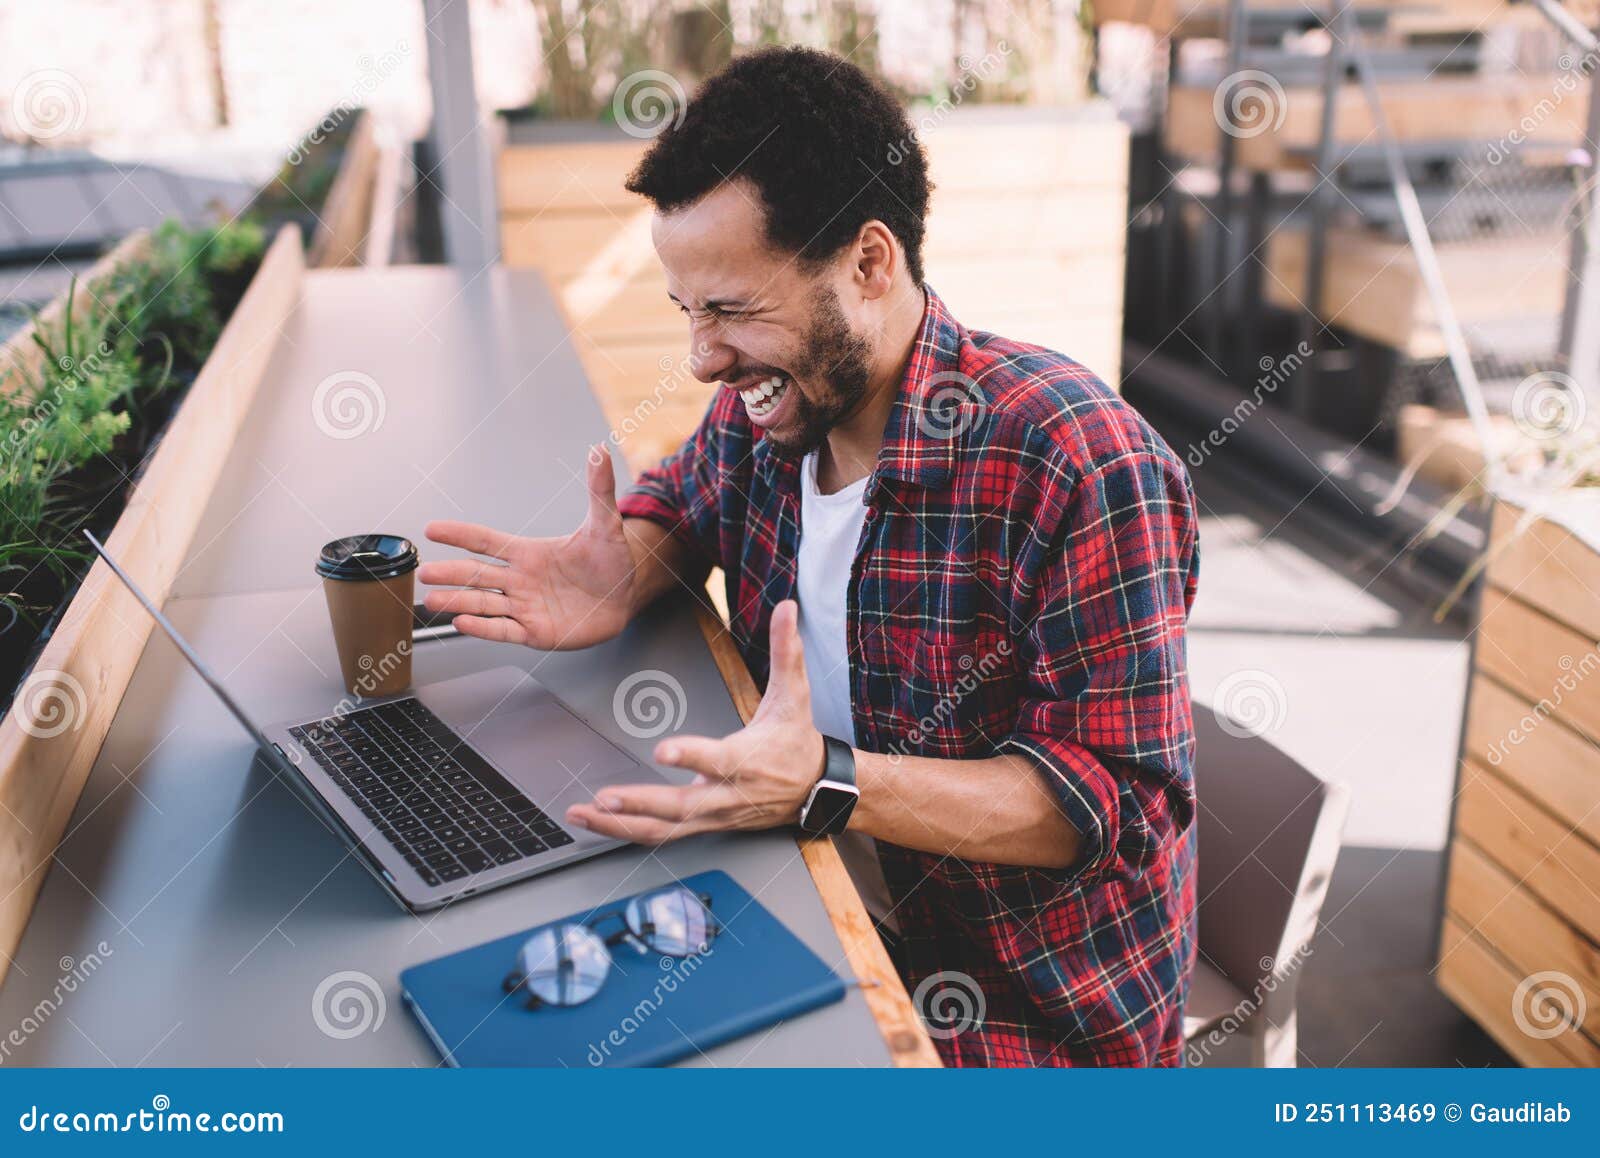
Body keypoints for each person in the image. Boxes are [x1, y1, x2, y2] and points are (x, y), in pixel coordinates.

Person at [421, 45, 1200, 1067]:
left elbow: (1116, 805)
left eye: (733, 310)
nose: (702, 357)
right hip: (808, 893)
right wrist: (629, 568)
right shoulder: (774, 409)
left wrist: (824, 783)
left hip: (1020, 1011)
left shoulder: (1077, 462)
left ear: (868, 264)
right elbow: (681, 500)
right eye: (688, 312)